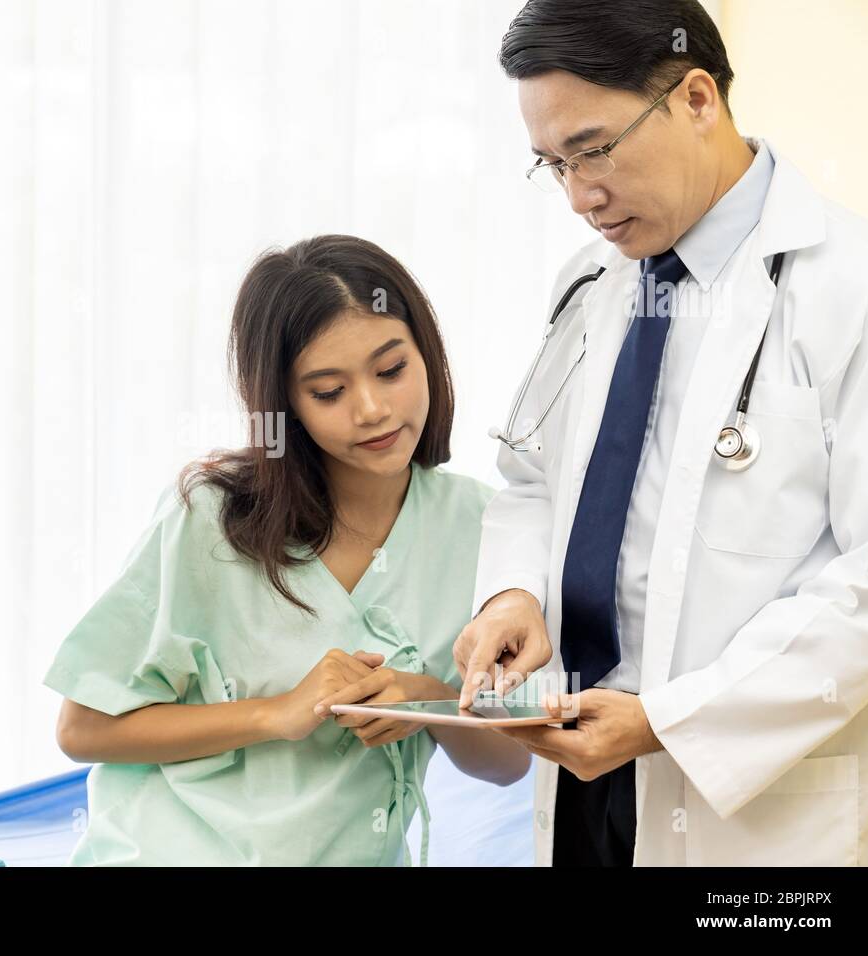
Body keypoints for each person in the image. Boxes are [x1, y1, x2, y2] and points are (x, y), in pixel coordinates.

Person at [455, 0, 868, 866]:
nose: (580, 197)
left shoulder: (855, 285)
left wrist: (671, 721)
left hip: (744, 788)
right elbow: (532, 480)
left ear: (696, 99)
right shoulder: (590, 283)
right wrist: (512, 595)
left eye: (595, 150)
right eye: (552, 166)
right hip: (580, 762)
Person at [43, 234, 530, 865]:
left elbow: (510, 763)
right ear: (287, 405)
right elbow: (82, 728)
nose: (373, 409)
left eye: (391, 370)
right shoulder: (212, 519)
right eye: (328, 392)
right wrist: (277, 713)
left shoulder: (484, 525)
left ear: (427, 356)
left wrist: (430, 700)